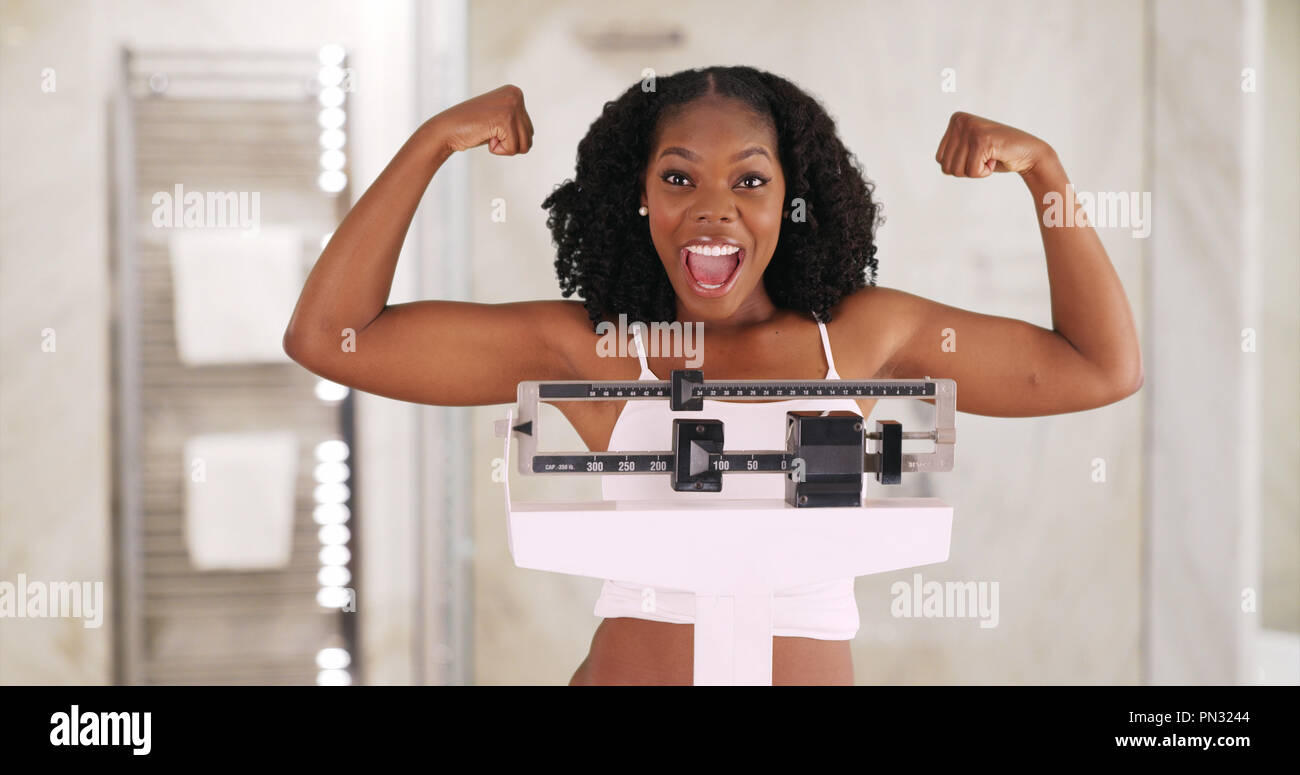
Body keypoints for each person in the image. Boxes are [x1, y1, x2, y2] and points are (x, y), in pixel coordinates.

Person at [283, 66, 1143, 686]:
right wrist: (432, 140)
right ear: (641, 197)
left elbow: (1100, 365)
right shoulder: (599, 349)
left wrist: (1046, 172)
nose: (714, 208)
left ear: (790, 198)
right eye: (679, 177)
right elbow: (331, 336)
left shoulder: (864, 336)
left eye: (751, 180)